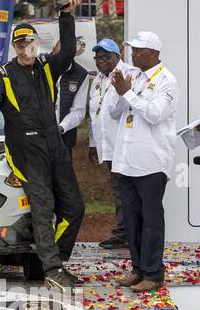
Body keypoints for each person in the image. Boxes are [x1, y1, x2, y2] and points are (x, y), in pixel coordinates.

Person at [0, 0, 86, 289]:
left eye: (30, 44)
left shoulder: (49, 68)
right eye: (20, 45)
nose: (26, 50)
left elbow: (69, 51)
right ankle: (51, 268)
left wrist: (66, 16)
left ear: (37, 45)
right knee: (43, 207)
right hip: (25, 147)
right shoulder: (1, 74)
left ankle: (53, 261)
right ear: (15, 47)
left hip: (54, 141)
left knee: (74, 208)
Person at [106, 31, 178, 292]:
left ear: (154, 54)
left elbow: (156, 114)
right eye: (132, 50)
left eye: (138, 50)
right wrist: (119, 93)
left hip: (151, 162)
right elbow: (114, 113)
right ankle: (137, 269)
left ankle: (153, 273)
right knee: (132, 219)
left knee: (150, 219)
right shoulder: (133, 76)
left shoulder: (167, 81)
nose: (133, 54)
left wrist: (128, 95)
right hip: (126, 160)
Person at [86, 38, 128, 249]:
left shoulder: (127, 74)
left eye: (105, 56)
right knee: (117, 188)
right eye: (97, 57)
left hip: (125, 145)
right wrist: (93, 142)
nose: (100, 60)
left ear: (117, 57)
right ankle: (123, 232)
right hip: (107, 145)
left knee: (124, 190)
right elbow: (94, 113)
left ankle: (126, 233)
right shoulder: (97, 79)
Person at [53, 41, 91, 152]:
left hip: (64, 140)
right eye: (59, 53)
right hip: (38, 140)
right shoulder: (40, 69)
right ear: (53, 50)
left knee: (63, 168)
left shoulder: (81, 74)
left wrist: (61, 127)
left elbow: (78, 111)